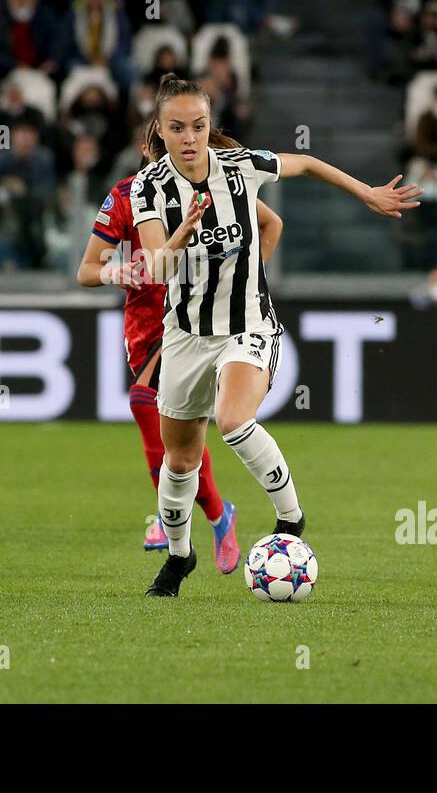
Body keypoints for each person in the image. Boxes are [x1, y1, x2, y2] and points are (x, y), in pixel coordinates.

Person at [129, 74, 422, 596]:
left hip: (248, 325)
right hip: (185, 337)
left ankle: (290, 521)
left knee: (234, 420)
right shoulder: (148, 188)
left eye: (199, 125)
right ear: (161, 130)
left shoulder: (240, 168)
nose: (191, 137)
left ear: (209, 125)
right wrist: (182, 234)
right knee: (180, 462)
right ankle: (179, 559)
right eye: (178, 128)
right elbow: (156, 266)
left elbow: (306, 163)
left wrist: (367, 194)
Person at [77, 145, 283, 571]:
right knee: (180, 432)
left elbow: (270, 223)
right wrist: (112, 272)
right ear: (149, 147)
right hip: (146, 328)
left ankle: (172, 520)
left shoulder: (218, 183)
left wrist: (242, 285)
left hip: (196, 322)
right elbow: (86, 269)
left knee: (143, 401)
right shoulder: (126, 195)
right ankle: (215, 514)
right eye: (167, 135)